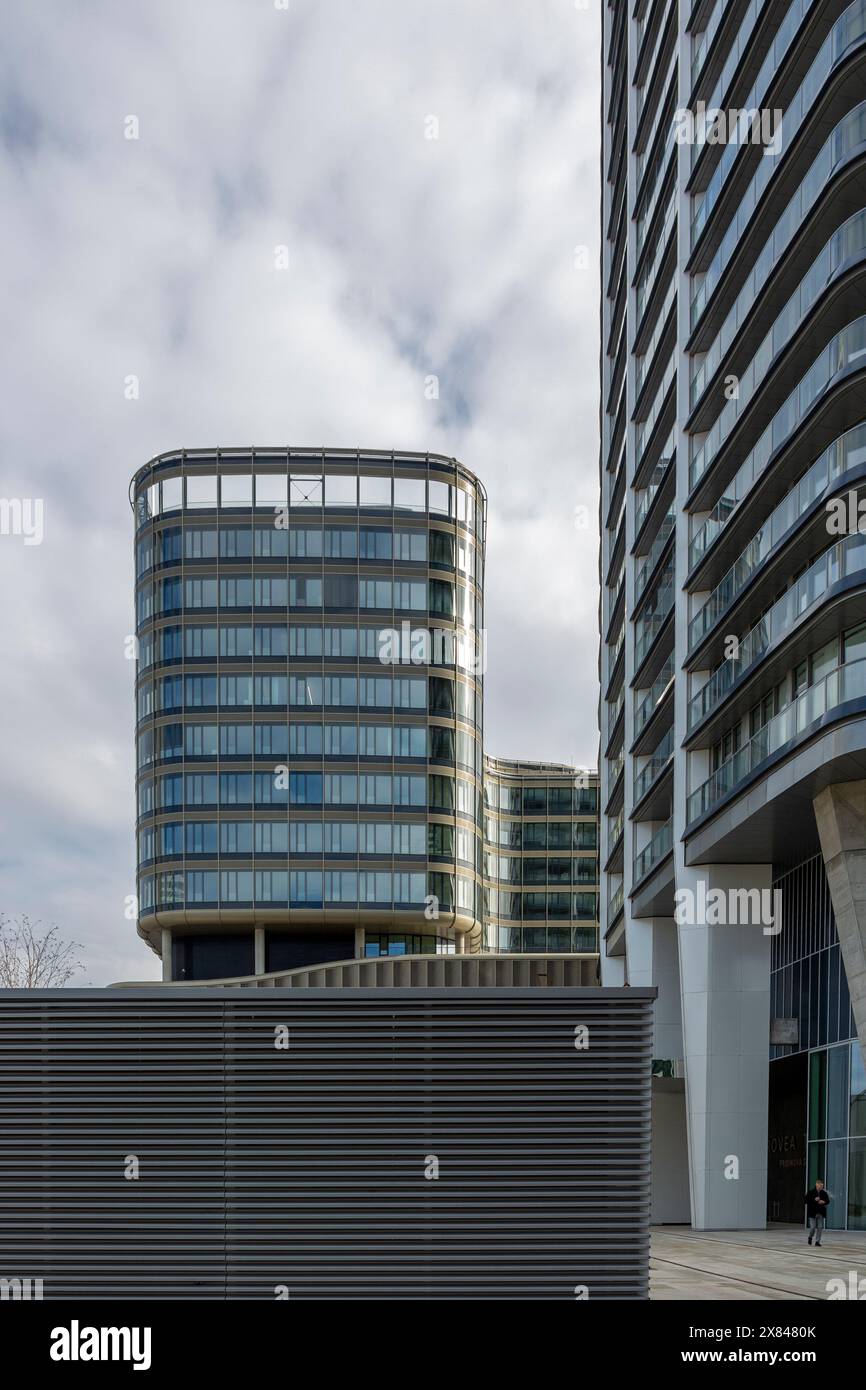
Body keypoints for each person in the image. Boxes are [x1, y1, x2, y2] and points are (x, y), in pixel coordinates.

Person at [804, 1179, 831, 1246]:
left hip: (820, 1213)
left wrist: (824, 1202)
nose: (821, 1186)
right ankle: (810, 1237)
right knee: (813, 1227)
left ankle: (817, 1242)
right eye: (820, 1185)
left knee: (820, 1227)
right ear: (816, 1185)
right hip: (812, 1213)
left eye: (822, 1185)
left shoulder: (824, 1193)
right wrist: (814, 1199)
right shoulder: (810, 1192)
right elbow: (806, 1201)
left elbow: (828, 1201)